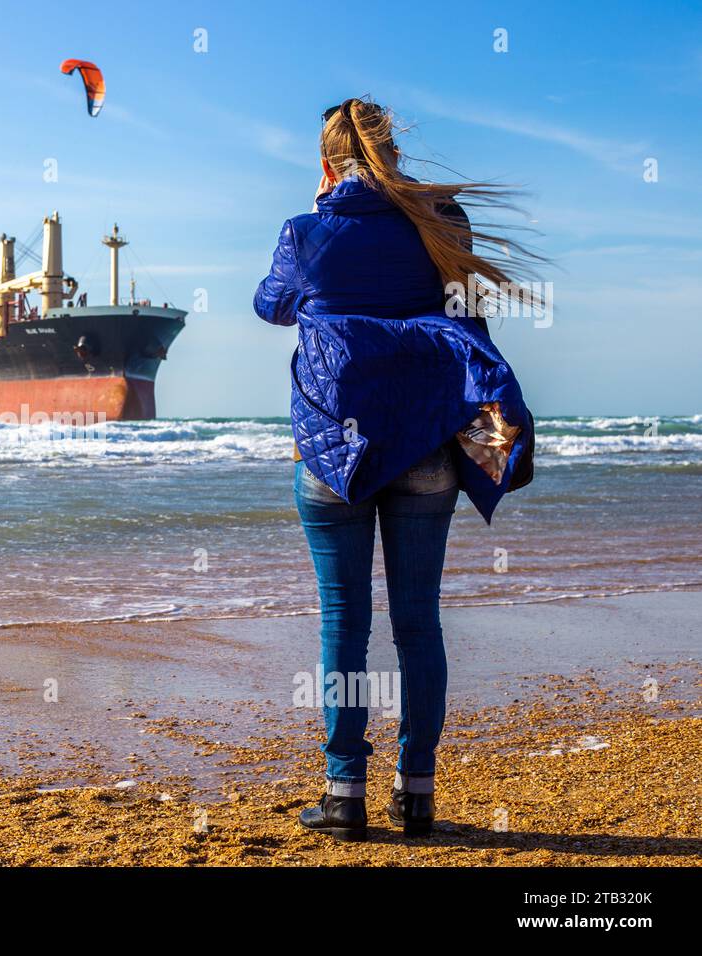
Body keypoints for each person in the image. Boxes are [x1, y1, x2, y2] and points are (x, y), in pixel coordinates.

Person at [254, 97, 541, 841]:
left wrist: (321, 217)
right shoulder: (441, 223)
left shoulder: (305, 231)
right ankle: (417, 795)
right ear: (393, 155)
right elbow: (471, 316)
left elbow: (271, 307)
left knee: (343, 622)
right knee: (418, 621)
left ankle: (343, 794)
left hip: (332, 451)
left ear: (326, 163)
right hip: (424, 446)